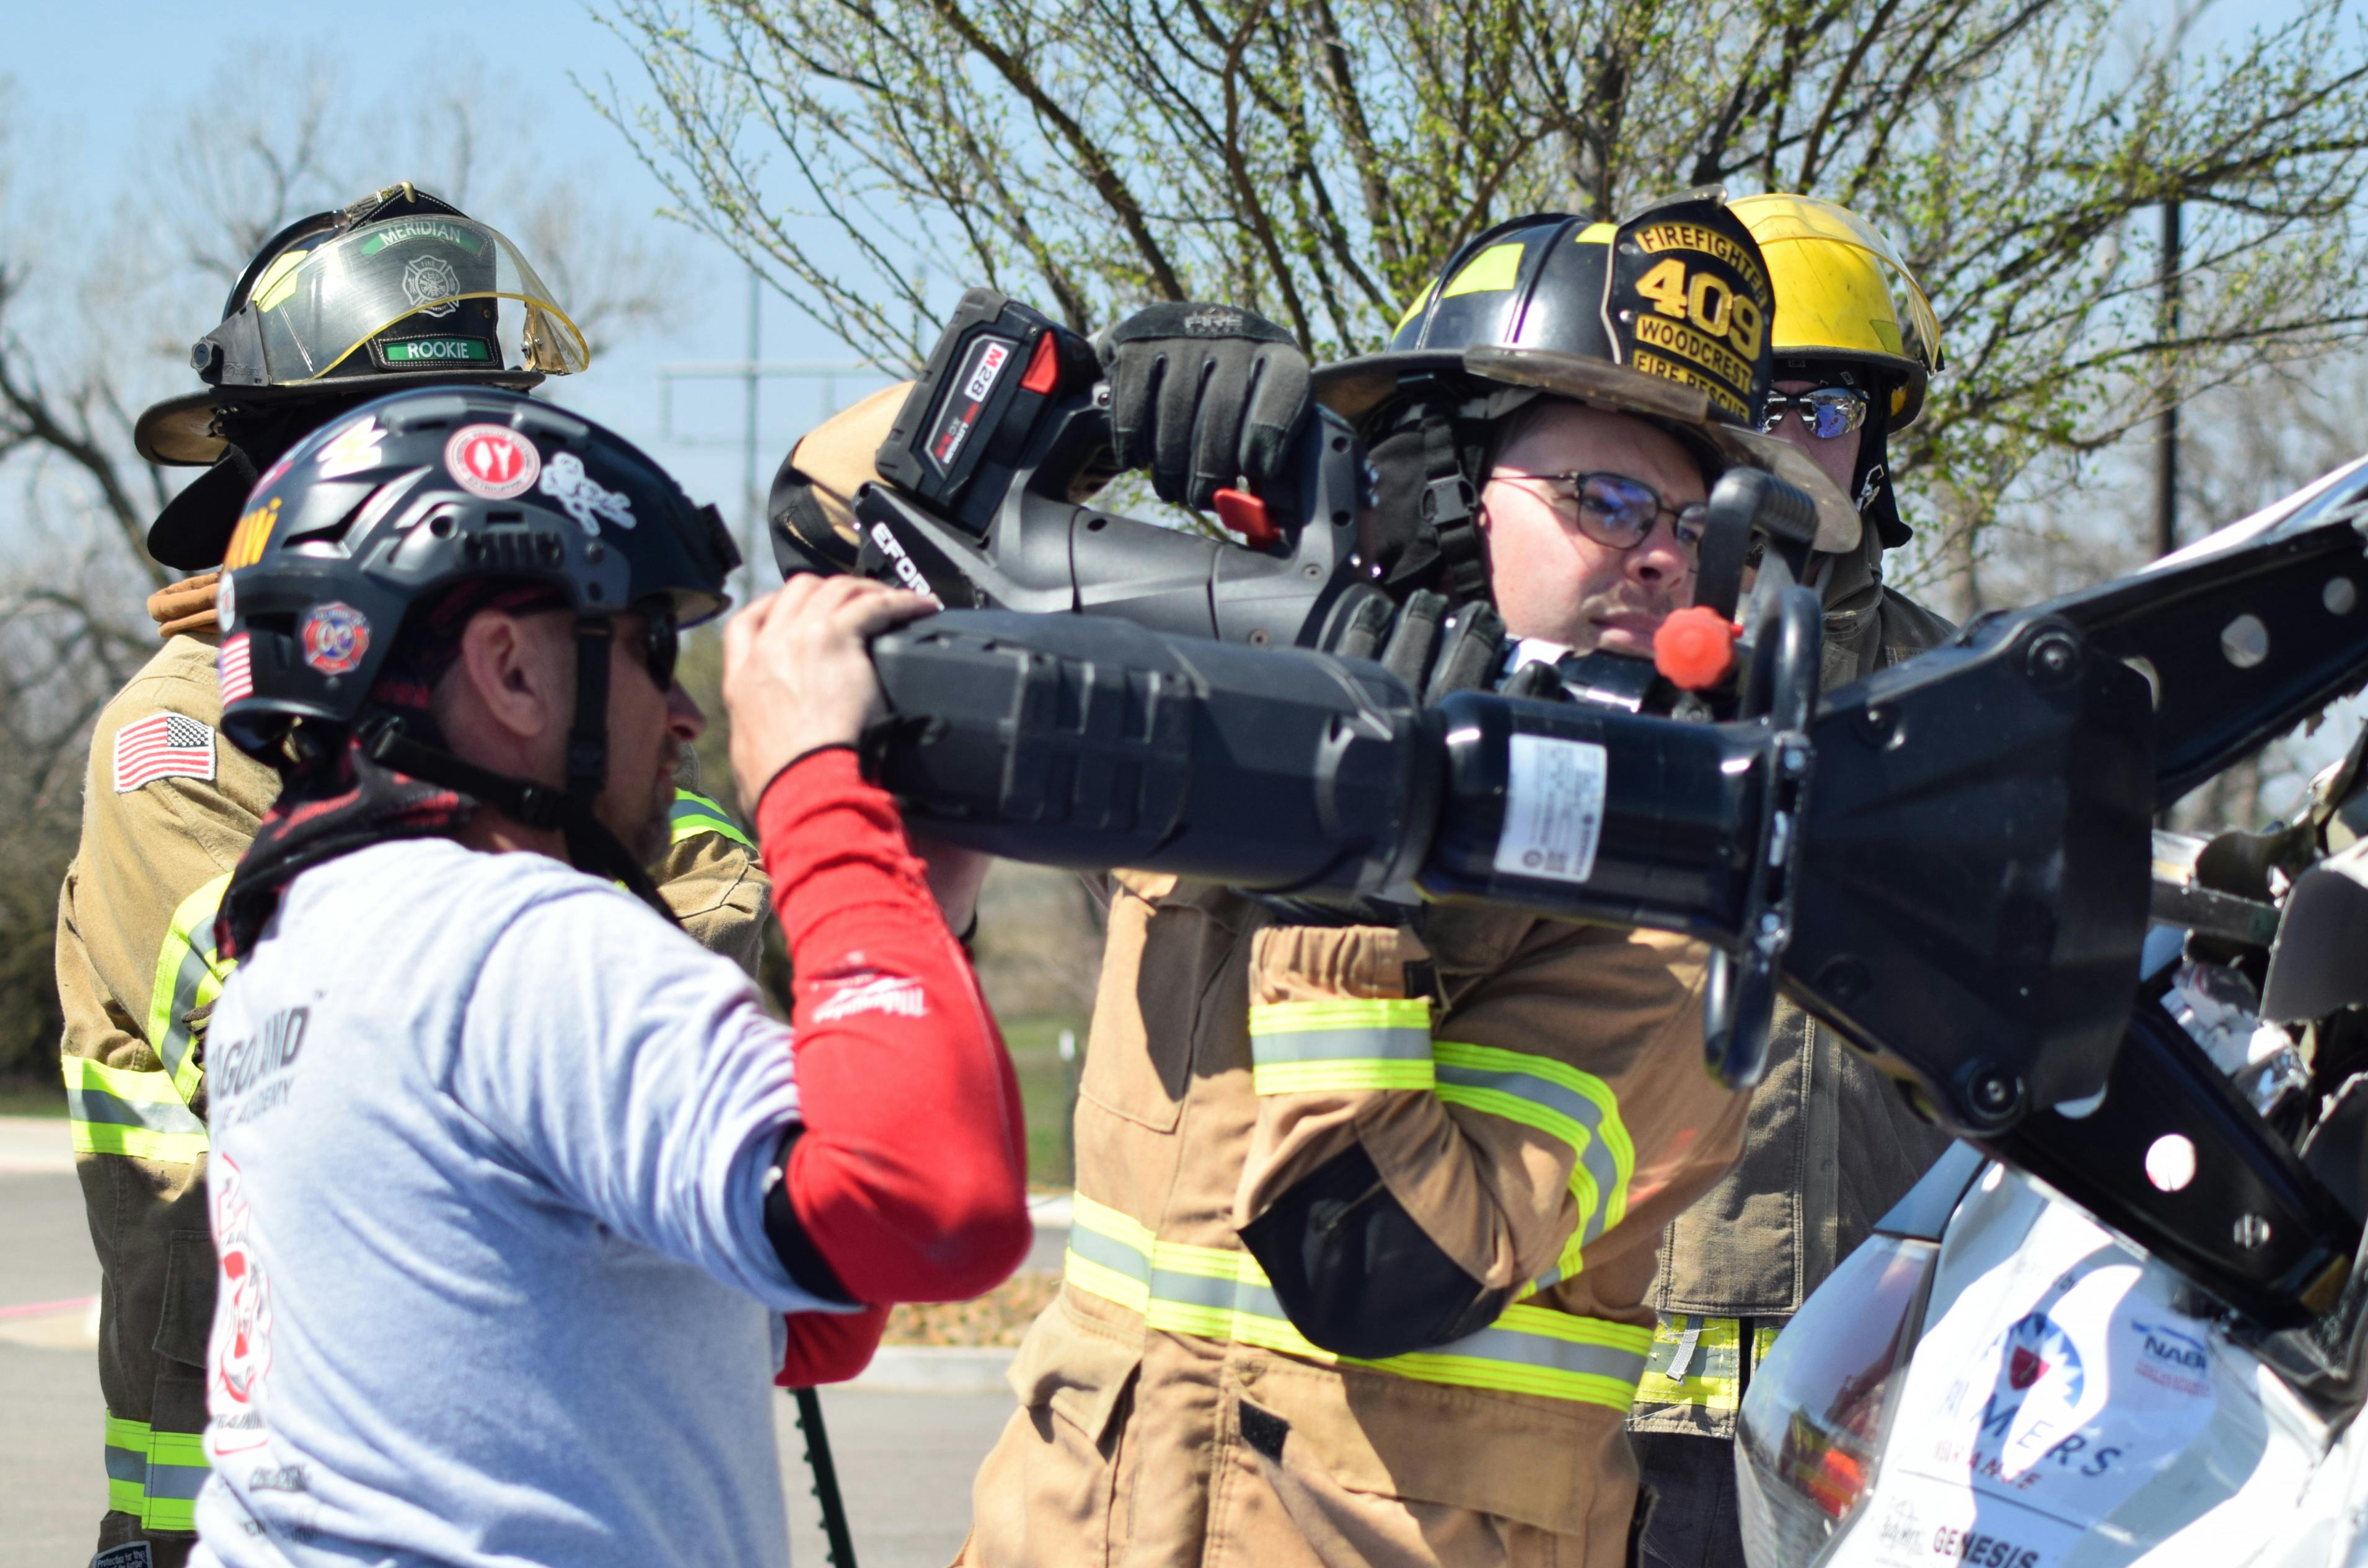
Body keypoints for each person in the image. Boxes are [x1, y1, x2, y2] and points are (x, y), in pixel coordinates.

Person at [772, 190, 1849, 1568]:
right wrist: (1112, 407)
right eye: (1611, 499)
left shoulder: (1668, 906)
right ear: (1443, 504)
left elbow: (1376, 1256)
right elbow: (831, 521)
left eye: (1696, 527)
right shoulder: (1228, 697)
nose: (1659, 554)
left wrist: (1344, 853)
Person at [53, 182, 771, 1568]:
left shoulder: (495, 705)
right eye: (428, 440)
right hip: (237, 1516)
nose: (482, 477)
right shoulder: (181, 740)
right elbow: (334, 1036)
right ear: (299, 465)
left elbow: (716, 904)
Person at [185, 386, 1025, 1567]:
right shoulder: (510, 940)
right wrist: (814, 788)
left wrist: (916, 902)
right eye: (644, 648)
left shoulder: (297, 958)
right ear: (512, 672)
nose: (683, 716)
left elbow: (795, 1318)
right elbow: (930, 1211)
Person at [1623, 192, 1961, 1567]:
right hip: (1645, 1357)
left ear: (1877, 437)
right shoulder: (1611, 676)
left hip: (1891, 1355)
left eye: (1819, 404)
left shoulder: (1962, 699)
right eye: (1744, 401)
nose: (1781, 439)